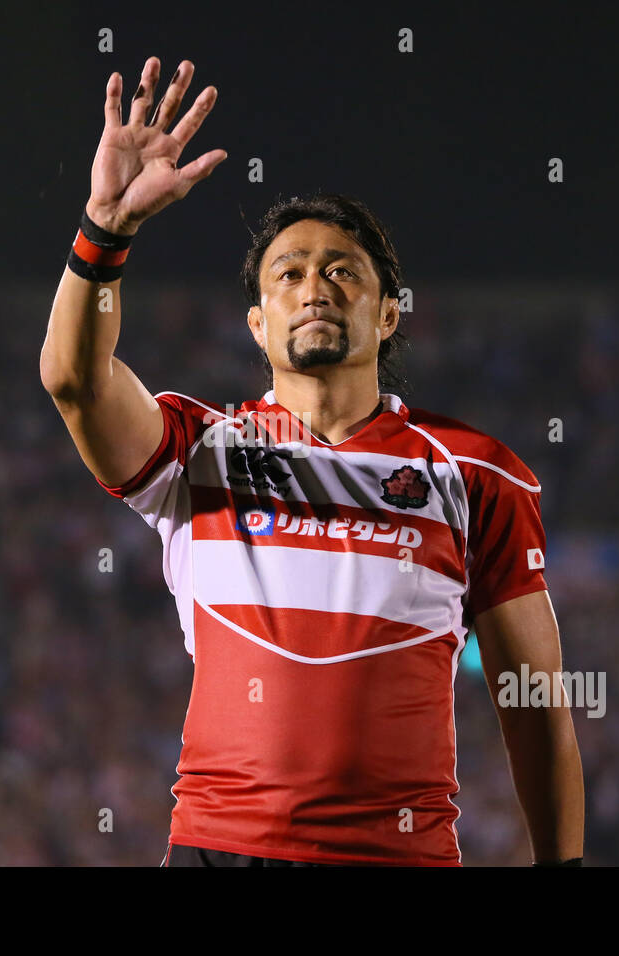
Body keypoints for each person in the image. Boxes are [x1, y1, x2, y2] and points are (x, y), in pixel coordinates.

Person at [40, 56, 584, 867]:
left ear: (388, 314)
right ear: (259, 326)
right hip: (217, 853)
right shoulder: (200, 451)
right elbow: (73, 381)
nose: (315, 287)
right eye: (288, 274)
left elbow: (533, 698)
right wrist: (105, 228)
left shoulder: (475, 472)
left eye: (342, 271)